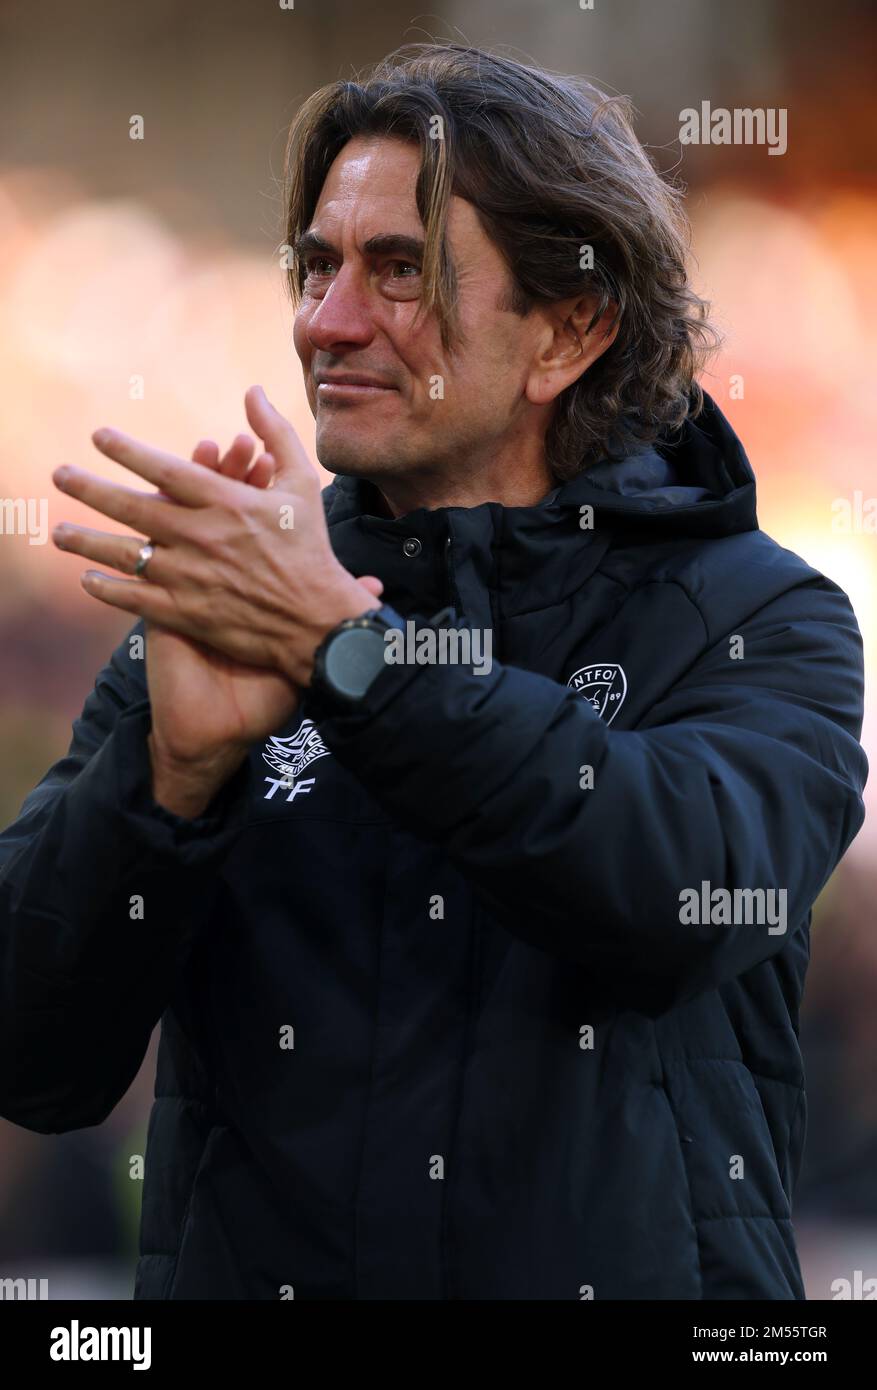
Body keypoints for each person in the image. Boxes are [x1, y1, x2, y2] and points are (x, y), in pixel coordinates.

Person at [0, 43, 867, 1300]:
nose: (326, 320)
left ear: (569, 328)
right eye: (316, 267)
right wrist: (166, 786)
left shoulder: (759, 615)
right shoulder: (232, 605)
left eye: (397, 271)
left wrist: (350, 661)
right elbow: (35, 1060)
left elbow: (679, 899)